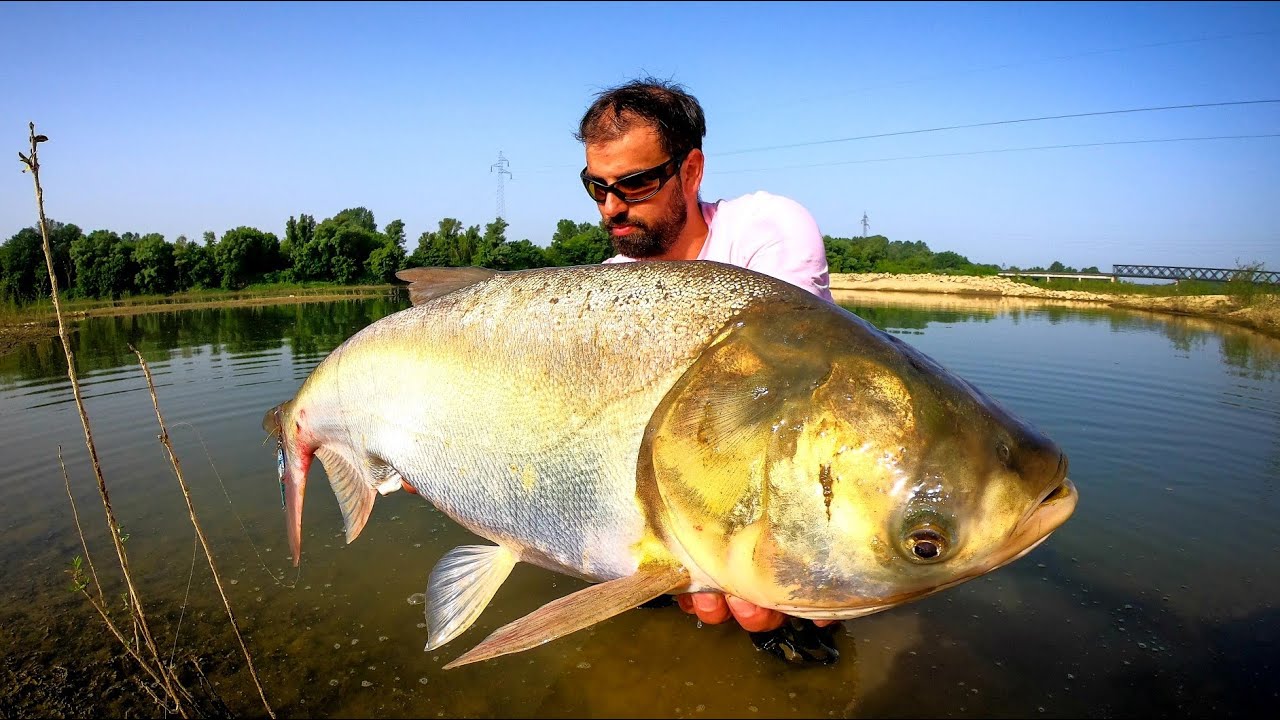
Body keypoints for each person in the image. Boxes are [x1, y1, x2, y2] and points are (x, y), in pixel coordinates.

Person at [574, 77, 840, 663]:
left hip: (764, 472)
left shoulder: (766, 229)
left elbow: (782, 397)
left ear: (691, 170)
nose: (612, 206)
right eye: (597, 187)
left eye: (635, 183)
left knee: (799, 620)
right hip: (674, 484)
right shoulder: (611, 281)